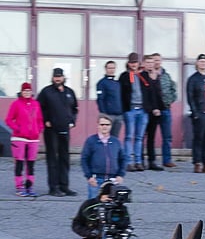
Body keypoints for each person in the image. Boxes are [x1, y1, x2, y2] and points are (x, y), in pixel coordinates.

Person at [37, 67, 78, 196]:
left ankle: (64, 186)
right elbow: (38, 108)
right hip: (51, 130)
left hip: (65, 128)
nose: (57, 79)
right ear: (52, 78)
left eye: (59, 76)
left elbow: (75, 108)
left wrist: (72, 121)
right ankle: (53, 187)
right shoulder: (46, 92)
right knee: (52, 158)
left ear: (63, 78)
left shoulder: (69, 92)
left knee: (64, 158)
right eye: (55, 76)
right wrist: (45, 120)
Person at [118, 53, 156, 172]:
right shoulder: (124, 76)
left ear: (138, 63)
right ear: (128, 64)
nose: (133, 64)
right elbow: (121, 93)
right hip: (130, 110)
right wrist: (123, 108)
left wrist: (151, 107)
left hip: (143, 110)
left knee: (139, 137)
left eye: (135, 62)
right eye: (131, 62)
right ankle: (128, 162)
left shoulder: (144, 75)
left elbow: (150, 92)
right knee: (129, 136)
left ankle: (138, 161)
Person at [5, 82, 43, 197]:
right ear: (21, 92)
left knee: (31, 164)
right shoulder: (16, 104)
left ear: (31, 92)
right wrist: (18, 129)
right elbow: (9, 120)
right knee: (20, 163)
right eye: (25, 91)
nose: (27, 93)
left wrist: (38, 130)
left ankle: (29, 186)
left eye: (28, 91)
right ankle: (19, 187)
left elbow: (40, 119)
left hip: (33, 139)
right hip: (19, 138)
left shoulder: (36, 104)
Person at [79, 116, 126, 199]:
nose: (104, 126)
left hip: (113, 180)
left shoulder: (116, 142)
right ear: (98, 125)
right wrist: (89, 176)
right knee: (94, 205)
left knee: (112, 205)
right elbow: (84, 159)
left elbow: (123, 159)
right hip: (96, 180)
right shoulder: (91, 141)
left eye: (107, 125)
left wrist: (120, 175)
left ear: (111, 126)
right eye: (102, 124)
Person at [146, 53, 179, 168]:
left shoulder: (166, 76)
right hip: (152, 110)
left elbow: (173, 89)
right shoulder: (148, 76)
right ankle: (151, 160)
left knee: (167, 136)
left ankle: (167, 159)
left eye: (158, 60)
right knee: (151, 136)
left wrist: (169, 100)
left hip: (165, 109)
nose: (156, 62)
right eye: (154, 60)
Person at [94, 60, 123, 142]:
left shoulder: (117, 83)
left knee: (115, 138)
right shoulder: (101, 83)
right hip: (108, 115)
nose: (111, 70)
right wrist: (104, 114)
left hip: (119, 115)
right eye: (109, 68)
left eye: (113, 68)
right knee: (104, 137)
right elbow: (100, 99)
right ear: (105, 69)